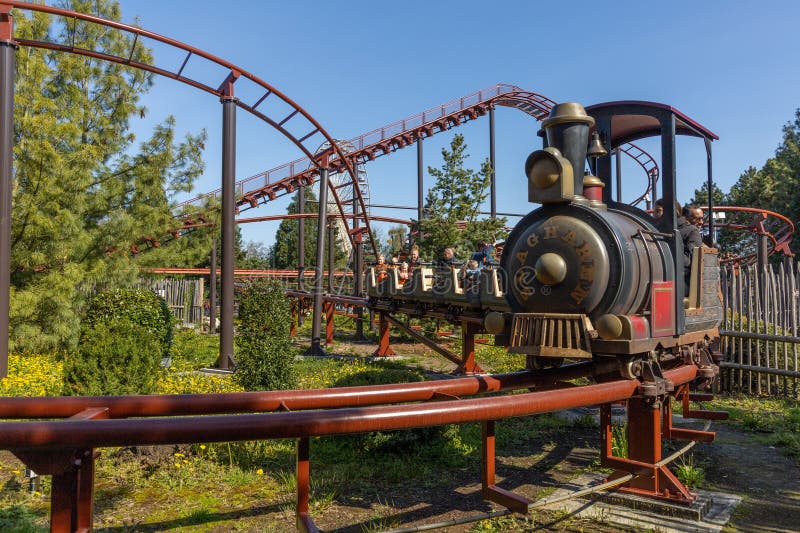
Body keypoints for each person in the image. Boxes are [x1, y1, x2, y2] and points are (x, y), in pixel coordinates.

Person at [679, 204, 703, 293]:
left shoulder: (676, 230)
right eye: (697, 218)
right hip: (685, 283)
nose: (701, 222)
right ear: (686, 218)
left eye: (701, 218)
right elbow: (696, 259)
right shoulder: (693, 230)